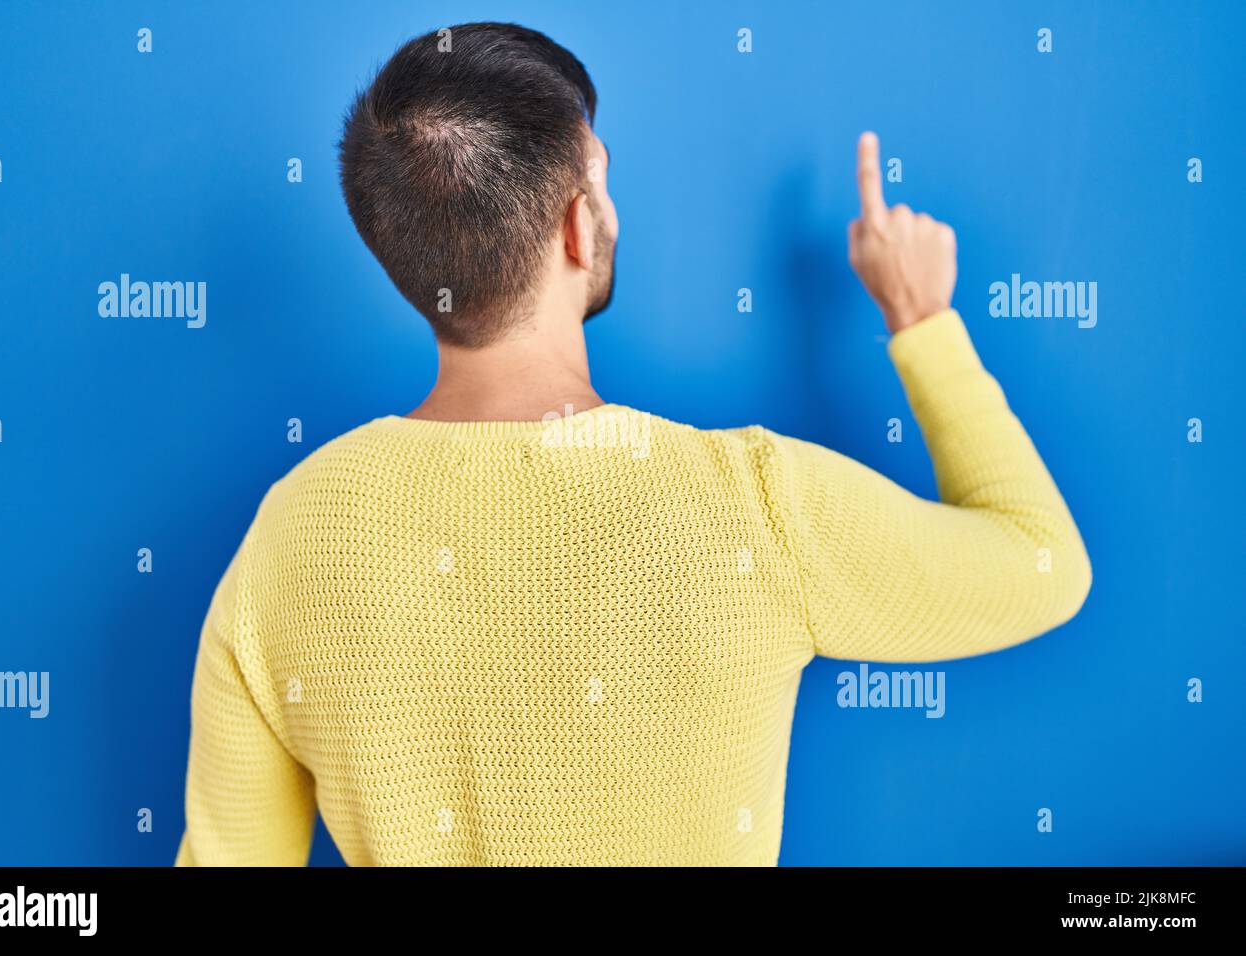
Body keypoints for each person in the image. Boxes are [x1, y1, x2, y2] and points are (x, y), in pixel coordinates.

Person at [176, 22, 1090, 866]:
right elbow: (1044, 564)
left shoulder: (291, 535)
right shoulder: (751, 503)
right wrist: (922, 320)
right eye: (599, 177)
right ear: (581, 222)